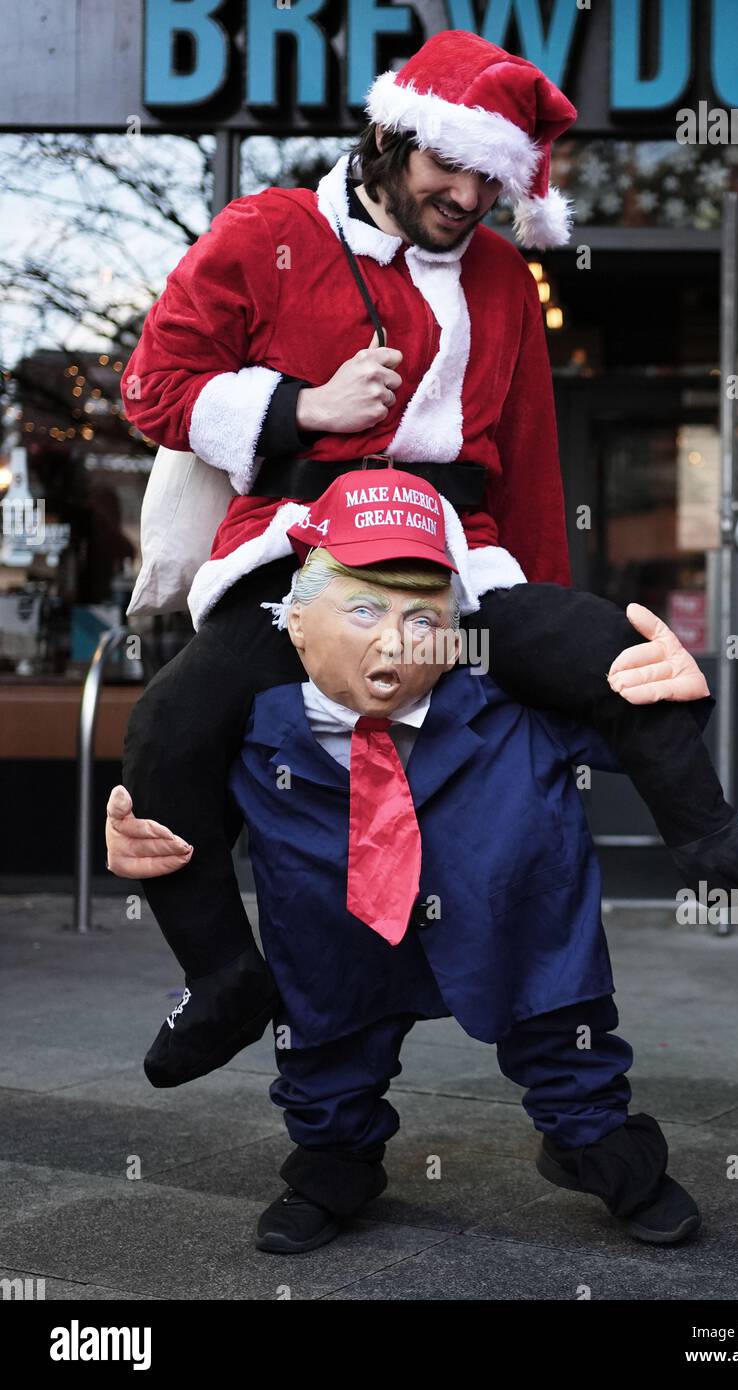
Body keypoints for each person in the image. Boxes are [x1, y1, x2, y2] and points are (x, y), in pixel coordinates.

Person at [117, 30, 738, 1091]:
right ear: (388, 138)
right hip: (298, 558)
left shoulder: (503, 273)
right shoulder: (264, 230)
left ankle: (712, 833)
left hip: (455, 558)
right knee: (169, 731)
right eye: (447, 166)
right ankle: (226, 976)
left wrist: (546, 614)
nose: (466, 195)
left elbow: (531, 459)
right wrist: (301, 406)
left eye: (491, 179)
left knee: (606, 646)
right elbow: (153, 386)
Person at [236, 468, 706, 1252]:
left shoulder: (516, 708)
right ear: (294, 622)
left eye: (422, 617)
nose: (393, 638)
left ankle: (595, 1148)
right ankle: (330, 1165)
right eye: (362, 608)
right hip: (339, 935)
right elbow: (184, 819)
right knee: (327, 1042)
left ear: (456, 636)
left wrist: (671, 695)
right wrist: (145, 836)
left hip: (514, 924)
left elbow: (634, 739)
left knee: (564, 1029)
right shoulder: (253, 733)